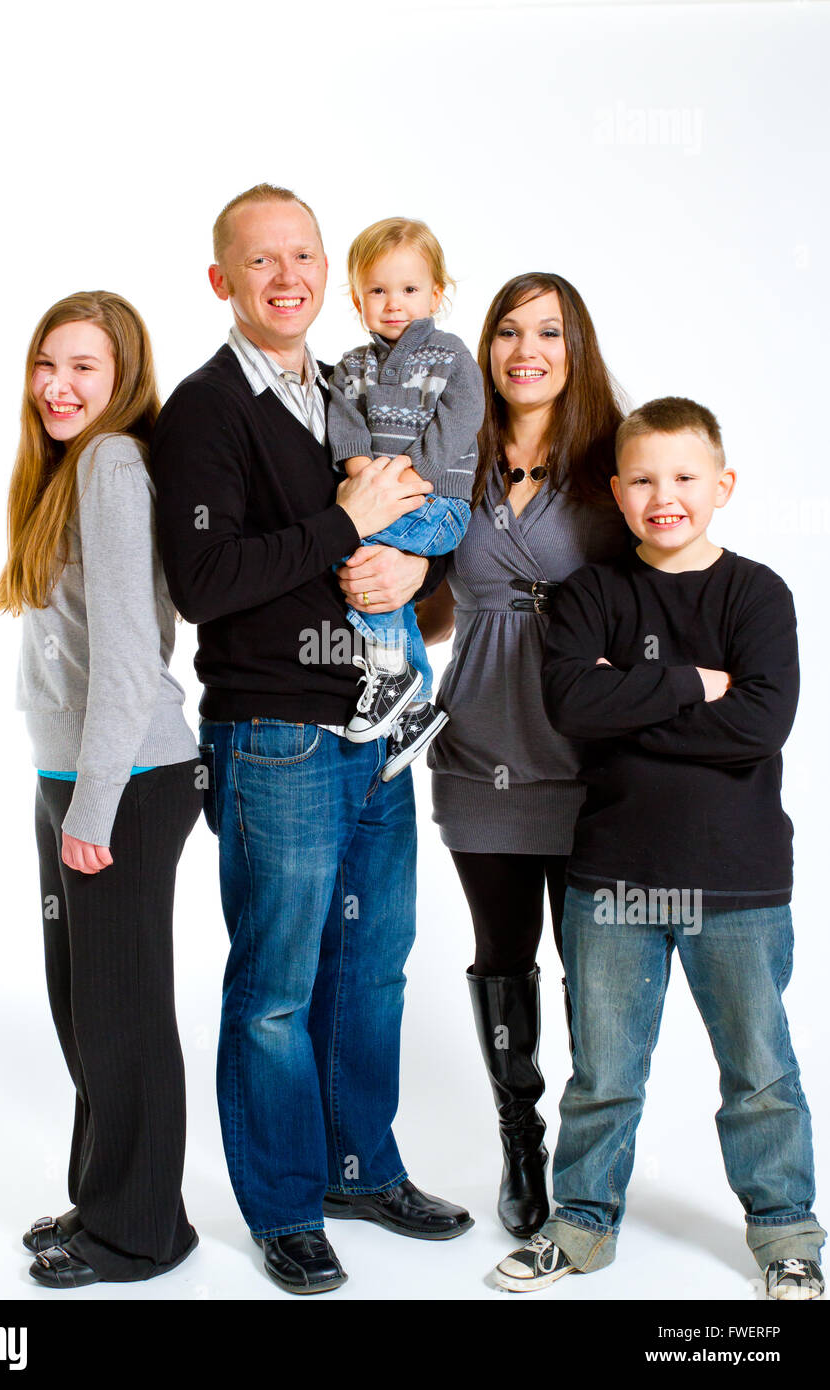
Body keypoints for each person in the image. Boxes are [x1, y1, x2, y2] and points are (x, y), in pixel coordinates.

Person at [151, 184, 473, 1297]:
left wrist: (414, 562)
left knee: (371, 964)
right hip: (276, 738)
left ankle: (357, 1166)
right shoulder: (203, 410)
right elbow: (205, 581)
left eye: (303, 257)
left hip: (376, 731)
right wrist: (350, 524)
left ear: (325, 269)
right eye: (261, 262)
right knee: (279, 986)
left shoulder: (348, 389)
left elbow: (408, 535)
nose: (287, 278)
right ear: (222, 283)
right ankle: (286, 1206)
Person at [495, 397, 825, 1301]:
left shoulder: (756, 593)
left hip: (738, 882)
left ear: (723, 486)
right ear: (617, 490)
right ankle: (581, 1225)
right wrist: (691, 686)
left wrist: (632, 702)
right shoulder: (592, 594)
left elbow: (762, 726)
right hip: (611, 880)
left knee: (760, 1074)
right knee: (603, 1074)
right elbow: (572, 712)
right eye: (642, 479)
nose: (663, 496)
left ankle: (787, 1236)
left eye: (684, 478)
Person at [0, 291, 204, 1289]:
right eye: (47, 363)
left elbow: (130, 660)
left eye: (84, 367)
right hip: (73, 774)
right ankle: (114, 1198)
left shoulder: (115, 465)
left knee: (122, 1009)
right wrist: (65, 788)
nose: (59, 386)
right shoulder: (64, 471)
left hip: (130, 777)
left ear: (123, 380)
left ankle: (140, 1235)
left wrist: (94, 804)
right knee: (84, 1003)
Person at [419, 273, 628, 1237]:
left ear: (574, 347)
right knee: (503, 955)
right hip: (482, 751)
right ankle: (521, 1144)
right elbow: (428, 598)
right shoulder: (455, 454)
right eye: (507, 331)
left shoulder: (612, 462)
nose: (525, 350)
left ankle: (594, 1160)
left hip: (591, 759)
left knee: (597, 968)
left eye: (548, 331)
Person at [327, 217, 484, 779]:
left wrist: (408, 477)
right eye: (377, 290)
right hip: (385, 500)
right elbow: (345, 428)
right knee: (362, 553)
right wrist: (361, 472)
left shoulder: (449, 355)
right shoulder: (351, 366)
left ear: (437, 294)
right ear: (356, 299)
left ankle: (399, 680)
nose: (394, 303)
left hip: (436, 504)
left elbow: (461, 418)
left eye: (410, 289)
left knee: (356, 549)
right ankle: (414, 706)